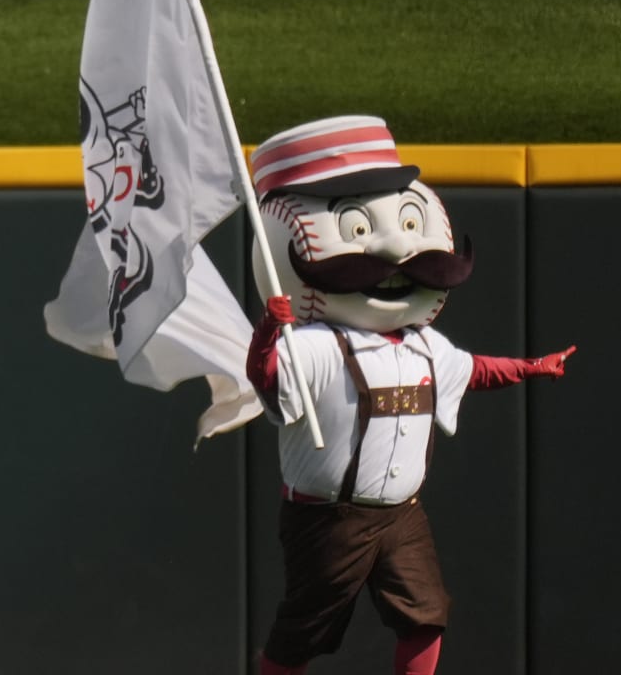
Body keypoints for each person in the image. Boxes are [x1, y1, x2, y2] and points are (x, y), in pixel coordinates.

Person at [243, 115, 577, 675]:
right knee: (302, 633)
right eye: (357, 226)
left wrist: (530, 368)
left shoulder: (424, 344)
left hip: (402, 513)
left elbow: (471, 370)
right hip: (329, 518)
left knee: (425, 615)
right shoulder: (320, 344)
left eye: (408, 220)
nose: (399, 248)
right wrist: (268, 331)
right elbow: (269, 378)